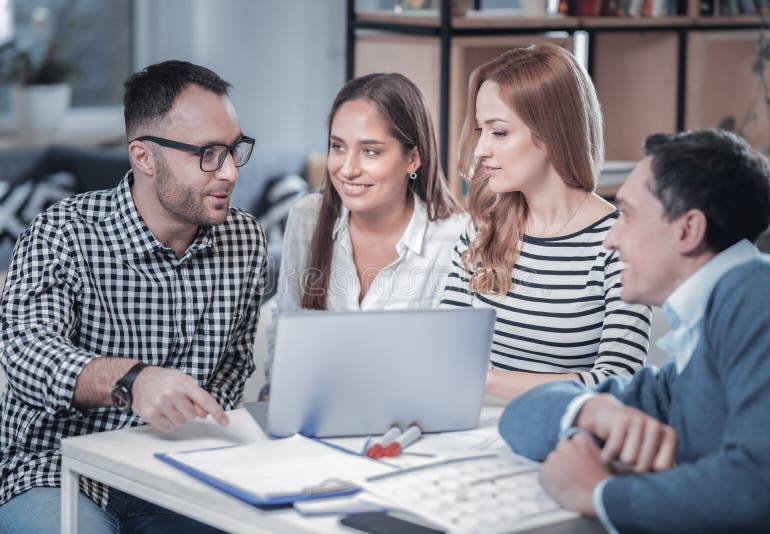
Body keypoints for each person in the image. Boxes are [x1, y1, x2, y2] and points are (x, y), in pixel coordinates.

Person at [0, 60, 267, 533]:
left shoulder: (243, 239)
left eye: (233, 149)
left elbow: (233, 364)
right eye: (207, 153)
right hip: (56, 472)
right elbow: (25, 353)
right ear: (144, 157)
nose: (229, 172)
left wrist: (201, 427)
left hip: (174, 474)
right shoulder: (62, 232)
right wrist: (132, 381)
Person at [499, 129, 770, 532]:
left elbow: (764, 489)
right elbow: (521, 415)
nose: (610, 239)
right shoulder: (696, 353)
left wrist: (600, 493)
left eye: (626, 214)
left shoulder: (764, 292)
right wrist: (591, 410)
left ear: (687, 230)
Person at [440, 44, 651, 399]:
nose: (480, 150)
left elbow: (619, 385)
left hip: (563, 438)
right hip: (470, 433)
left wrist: (486, 380)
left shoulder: (618, 244)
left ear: (551, 133)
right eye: (480, 130)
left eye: (499, 132)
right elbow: (442, 350)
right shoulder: (482, 228)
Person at [262, 72, 466, 395]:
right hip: (314, 416)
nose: (348, 168)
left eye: (370, 151)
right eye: (337, 147)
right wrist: (275, 394)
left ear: (412, 158)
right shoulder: (308, 217)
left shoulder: (455, 237)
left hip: (412, 424)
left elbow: (453, 368)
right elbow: (285, 330)